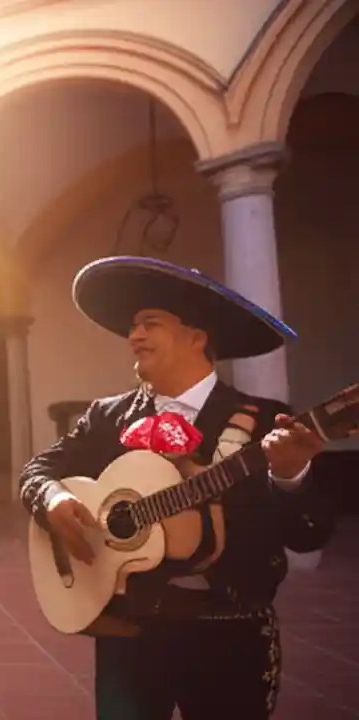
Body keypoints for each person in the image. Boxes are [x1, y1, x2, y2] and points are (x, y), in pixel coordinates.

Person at [19, 255, 335, 719]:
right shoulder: (108, 417)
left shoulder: (266, 421)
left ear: (196, 337)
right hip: (129, 633)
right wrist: (54, 498)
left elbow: (308, 535)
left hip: (230, 635)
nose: (134, 337)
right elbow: (38, 470)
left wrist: (290, 475)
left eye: (150, 324)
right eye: (133, 326)